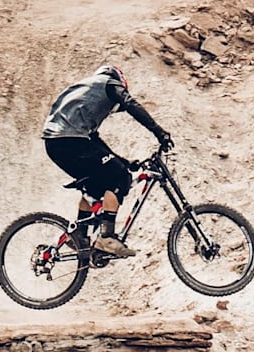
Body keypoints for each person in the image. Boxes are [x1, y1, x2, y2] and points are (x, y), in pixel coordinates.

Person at [43, 65, 173, 258]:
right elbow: (131, 104)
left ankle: (78, 235)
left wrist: (124, 161)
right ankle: (107, 237)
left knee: (96, 186)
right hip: (70, 141)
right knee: (120, 176)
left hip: (56, 145)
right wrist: (159, 133)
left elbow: (95, 143)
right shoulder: (109, 83)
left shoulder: (84, 98)